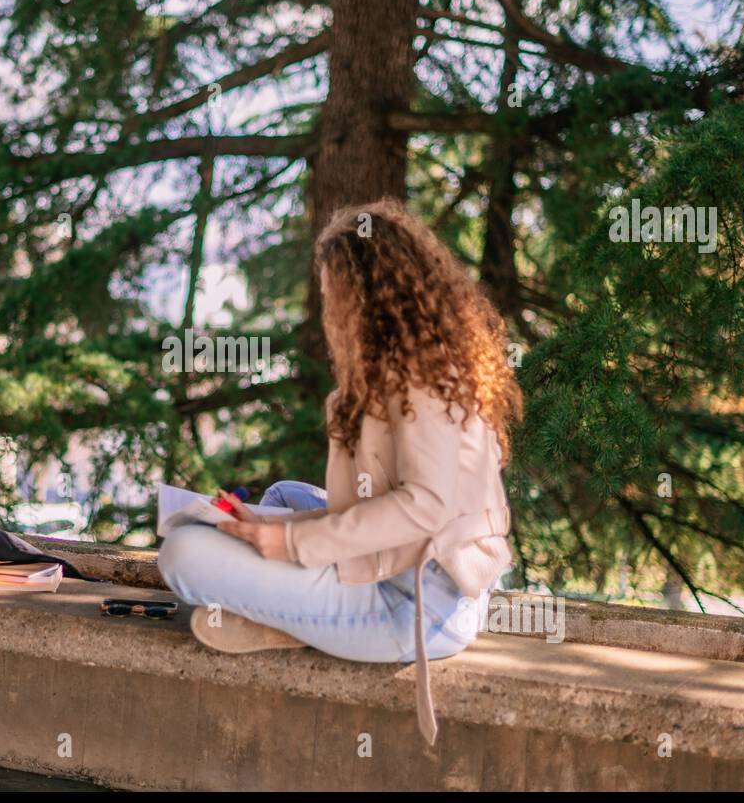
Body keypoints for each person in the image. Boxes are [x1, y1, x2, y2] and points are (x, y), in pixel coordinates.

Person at [157, 198, 524, 748]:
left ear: (368, 296)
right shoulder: (425, 365)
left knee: (181, 554)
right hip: (411, 578)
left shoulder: (419, 381)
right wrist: (253, 520)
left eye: (333, 291)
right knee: (279, 497)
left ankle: (294, 622)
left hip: (414, 610)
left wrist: (291, 545)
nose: (326, 305)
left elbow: (428, 505)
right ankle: (290, 607)